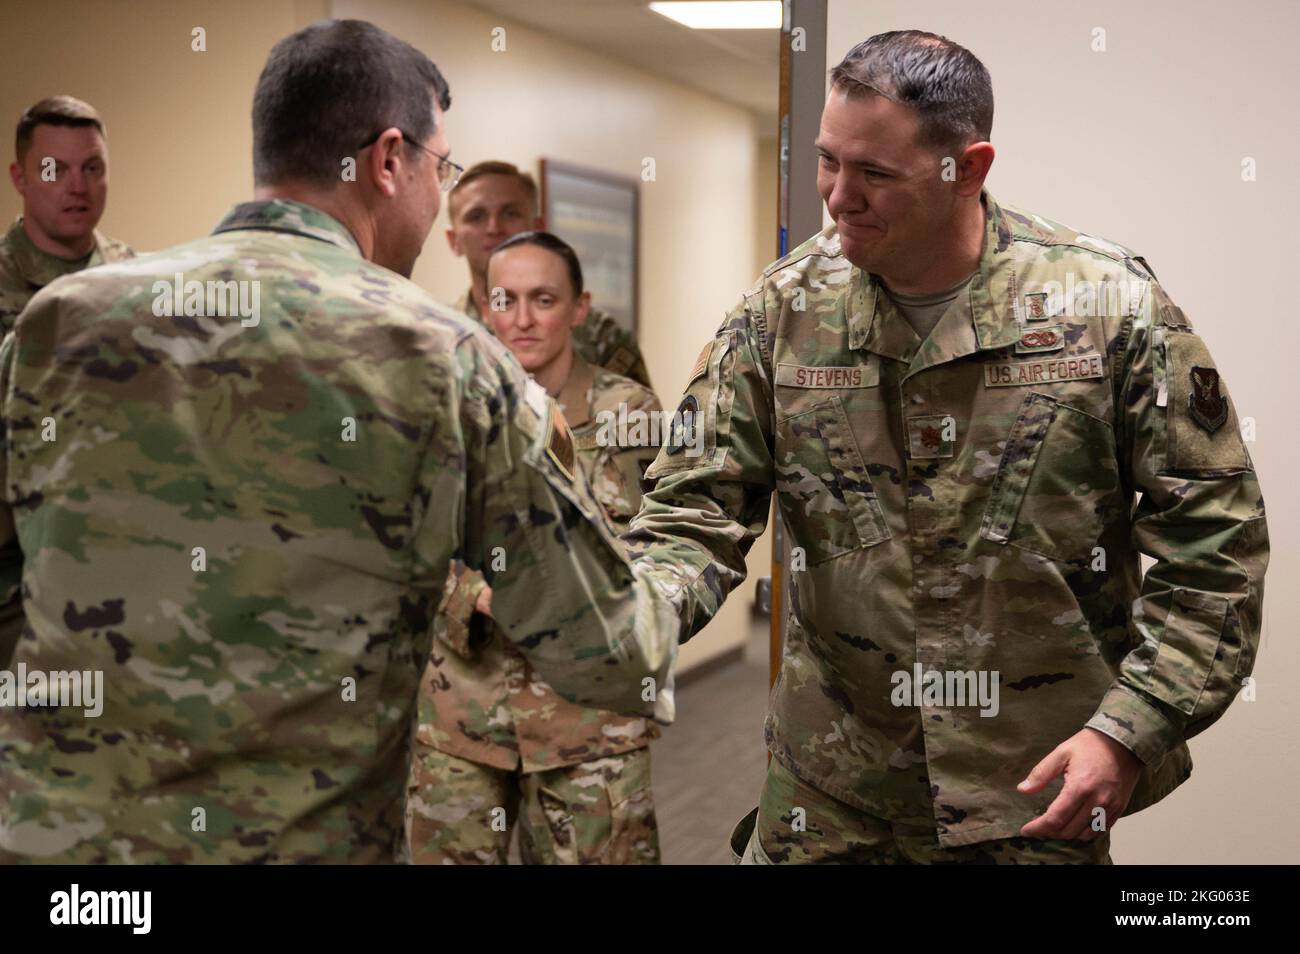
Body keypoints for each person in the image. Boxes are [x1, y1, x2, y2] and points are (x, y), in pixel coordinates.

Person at [0, 18, 674, 865]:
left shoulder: (58, 323)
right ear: (389, 161)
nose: (439, 201)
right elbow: (609, 648)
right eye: (442, 169)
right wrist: (692, 542)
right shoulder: (441, 355)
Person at [624, 29, 1268, 864]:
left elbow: (1216, 544)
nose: (837, 199)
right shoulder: (780, 313)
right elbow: (693, 513)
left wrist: (1131, 730)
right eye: (828, 161)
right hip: (834, 785)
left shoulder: (1107, 306)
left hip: (1034, 791)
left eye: (875, 174)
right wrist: (621, 623)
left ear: (966, 167)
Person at [408, 230, 664, 864]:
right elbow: (403, 540)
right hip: (462, 715)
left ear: (580, 307)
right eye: (506, 299)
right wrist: (479, 593)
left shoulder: (632, 414)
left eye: (544, 299)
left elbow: (669, 541)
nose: (522, 319)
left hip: (591, 720)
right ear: (485, 304)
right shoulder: (442, 410)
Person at [444, 160, 652, 388]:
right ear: (454, 240)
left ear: (538, 227)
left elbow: (635, 416)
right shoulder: (441, 333)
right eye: (476, 216)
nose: (494, 227)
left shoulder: (598, 335)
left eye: (510, 213)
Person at [1, 95, 133, 338]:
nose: (78, 187)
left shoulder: (134, 273)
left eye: (92, 169)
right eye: (54, 171)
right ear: (20, 179)